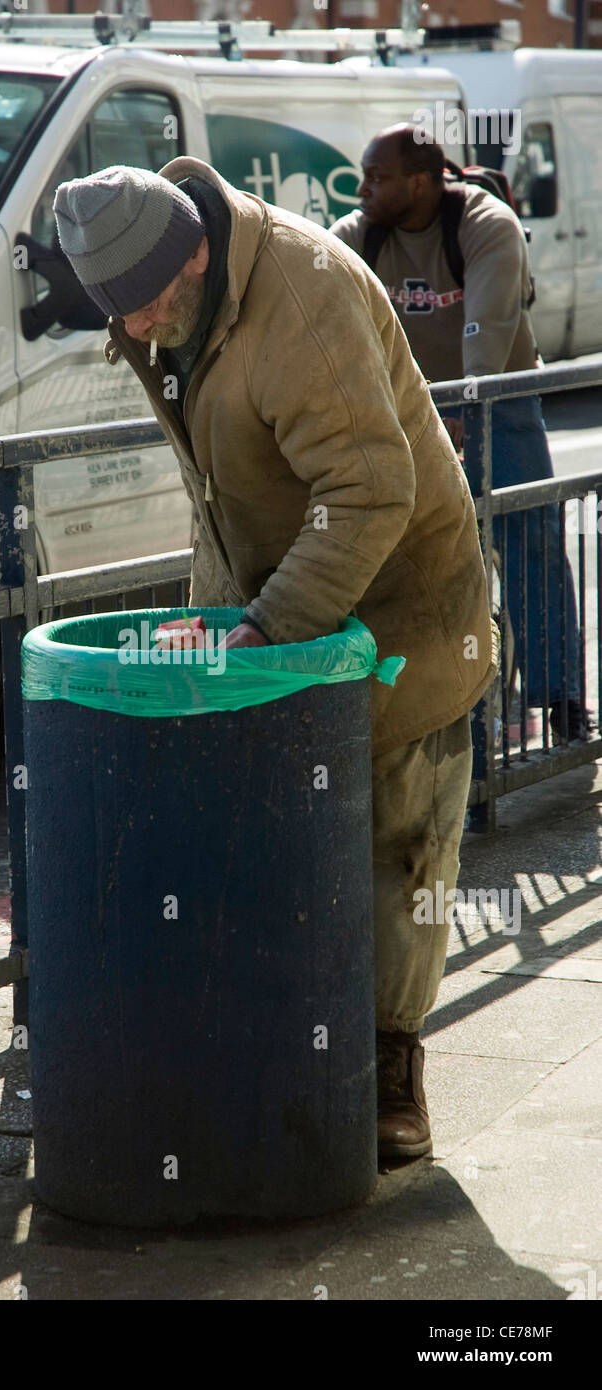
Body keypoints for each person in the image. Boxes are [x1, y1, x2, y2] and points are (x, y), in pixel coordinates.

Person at [53, 159, 498, 1161]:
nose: (127, 331)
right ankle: (276, 1038)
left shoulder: (302, 293)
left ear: (199, 256)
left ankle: (390, 1061)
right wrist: (219, 618)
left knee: (401, 844)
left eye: (143, 308)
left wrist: (261, 630)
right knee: (264, 839)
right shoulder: (162, 290)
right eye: (114, 314)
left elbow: (369, 491)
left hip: (404, 618)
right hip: (276, 600)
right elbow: (223, 474)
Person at [330, 124, 588, 742]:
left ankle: (561, 699)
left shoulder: (484, 223)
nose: (361, 188)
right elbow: (332, 325)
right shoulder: (357, 235)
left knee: (529, 538)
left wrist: (462, 408)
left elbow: (490, 331)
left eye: (377, 176)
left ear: (421, 182)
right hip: (409, 410)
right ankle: (434, 709)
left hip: (498, 399)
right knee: (418, 554)